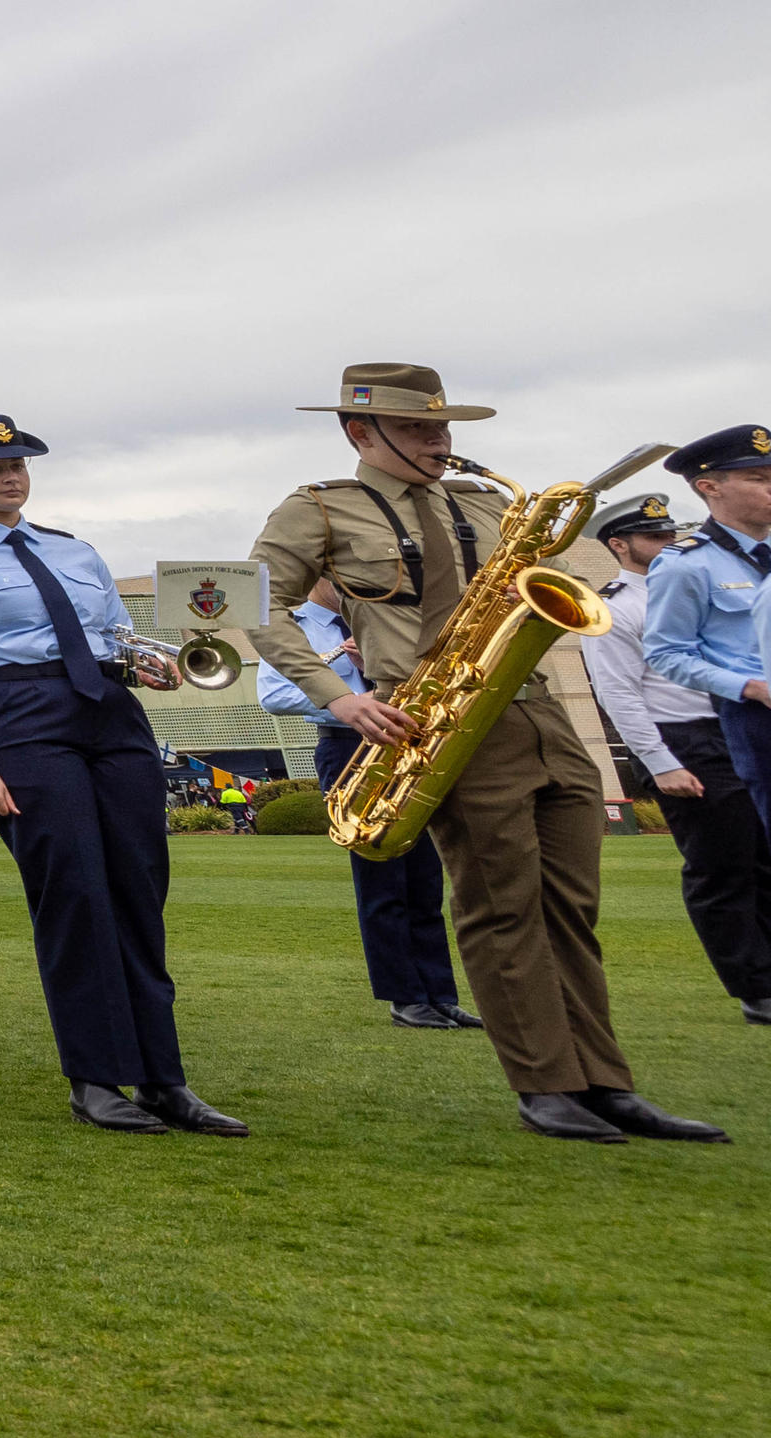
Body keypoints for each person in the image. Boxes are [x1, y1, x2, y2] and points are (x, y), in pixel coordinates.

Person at [264, 364, 717, 1145]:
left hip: (537, 711)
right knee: (502, 904)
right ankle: (546, 1085)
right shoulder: (319, 509)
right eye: (417, 430)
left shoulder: (485, 501)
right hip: (434, 720)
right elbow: (250, 600)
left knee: (570, 907)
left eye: (443, 429)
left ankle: (605, 1082)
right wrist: (334, 694)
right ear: (359, 432)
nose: (439, 443)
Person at [0, 413, 249, 1136]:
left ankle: (163, 1078)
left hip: (109, 712)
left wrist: (151, 666)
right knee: (75, 894)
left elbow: (115, 634)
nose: (11, 475)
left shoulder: (76, 549)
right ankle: (94, 1077)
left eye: (20, 462)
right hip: (16, 715)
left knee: (137, 891)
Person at [586, 494, 771, 1023]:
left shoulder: (707, 577)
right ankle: (754, 986)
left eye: (671, 533)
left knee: (763, 856)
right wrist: (659, 761)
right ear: (619, 545)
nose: (670, 542)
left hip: (739, 725)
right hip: (686, 739)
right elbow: (617, 693)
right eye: (655, 537)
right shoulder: (616, 607)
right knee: (722, 865)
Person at [255, 592, 468, 1027]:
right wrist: (352, 701)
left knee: (425, 879)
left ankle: (439, 993)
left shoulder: (382, 614)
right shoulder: (293, 628)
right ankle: (405, 997)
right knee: (382, 879)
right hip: (350, 746)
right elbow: (274, 694)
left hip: (411, 745)